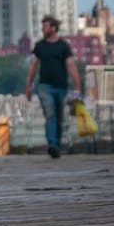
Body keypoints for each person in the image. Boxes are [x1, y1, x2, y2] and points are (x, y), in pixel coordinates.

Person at [26, 15, 81, 159]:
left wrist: (77, 86)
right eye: (42, 26)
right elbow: (33, 65)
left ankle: (56, 145)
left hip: (61, 87)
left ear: (53, 28)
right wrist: (29, 86)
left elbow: (70, 65)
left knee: (59, 117)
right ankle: (52, 144)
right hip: (44, 86)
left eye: (45, 26)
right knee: (50, 114)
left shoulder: (63, 46)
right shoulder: (40, 46)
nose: (43, 29)